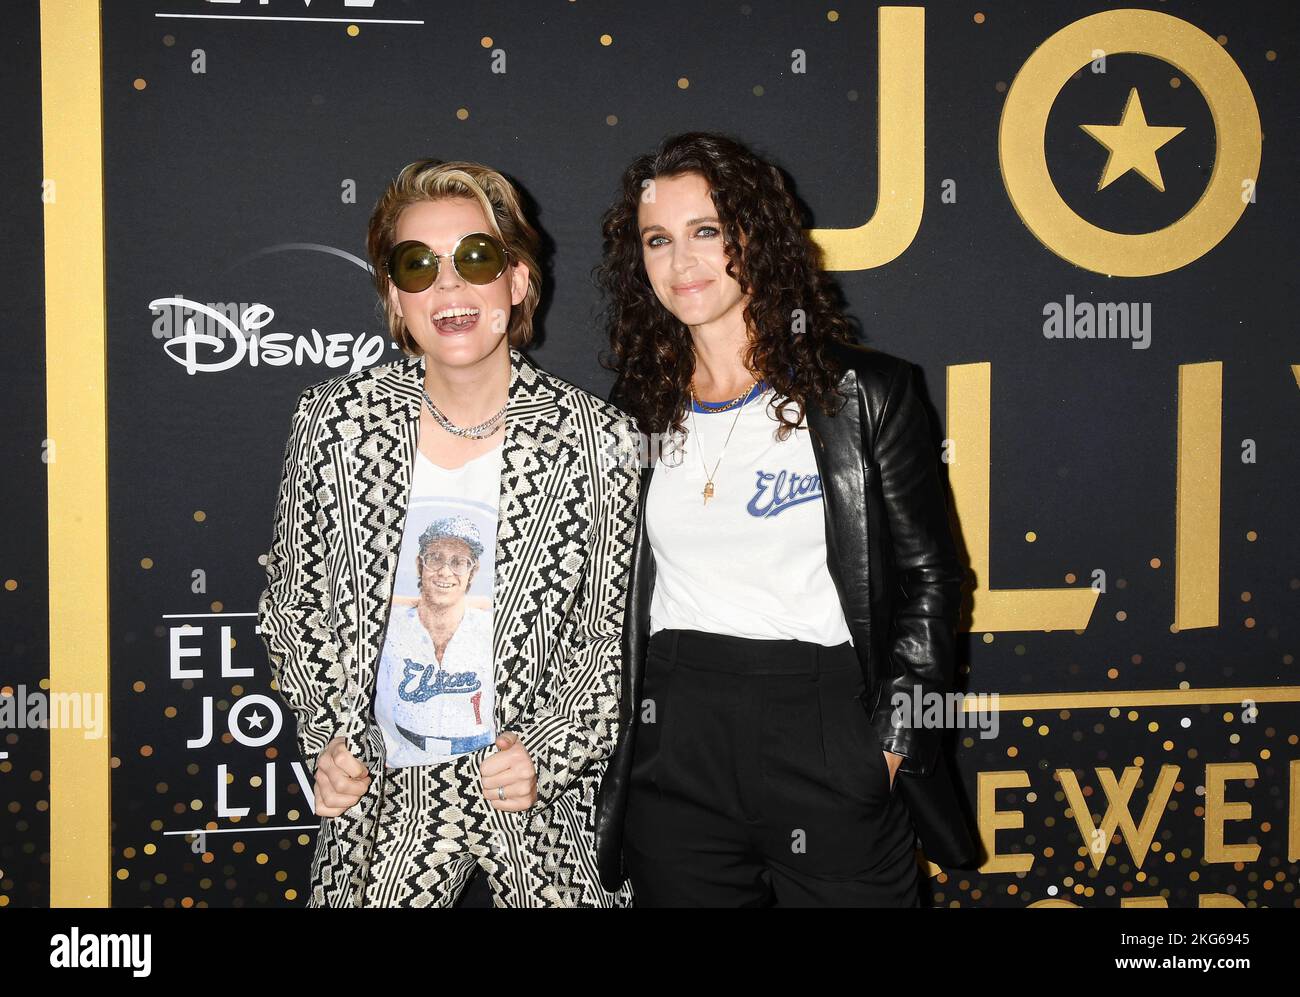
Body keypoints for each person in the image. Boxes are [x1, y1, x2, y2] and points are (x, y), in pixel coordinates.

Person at [593, 132, 978, 907]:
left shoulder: (865, 394)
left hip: (826, 726)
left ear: (754, 235)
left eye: (707, 231)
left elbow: (933, 579)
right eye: (657, 240)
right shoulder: (633, 410)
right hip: (675, 737)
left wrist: (891, 746)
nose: (681, 261)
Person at [257, 158, 639, 907]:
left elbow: (612, 637)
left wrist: (547, 751)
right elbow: (293, 603)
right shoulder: (333, 423)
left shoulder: (600, 440)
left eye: (475, 257)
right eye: (416, 265)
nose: (449, 286)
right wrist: (330, 738)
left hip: (536, 810)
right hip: (380, 808)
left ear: (518, 281)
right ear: (395, 298)